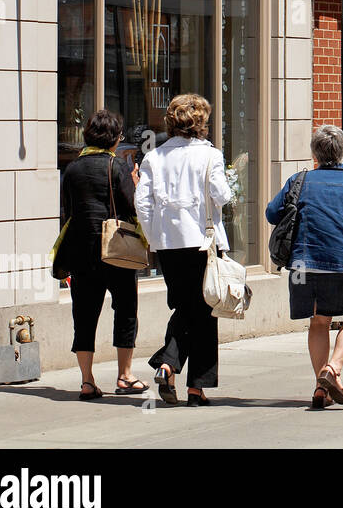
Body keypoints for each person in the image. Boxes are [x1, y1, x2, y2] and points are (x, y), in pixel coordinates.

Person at [265, 125, 343, 409]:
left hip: (305, 265)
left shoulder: (299, 181)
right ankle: (333, 369)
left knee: (319, 321)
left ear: (315, 154)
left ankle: (320, 389)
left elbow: (271, 213)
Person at [135, 94, 233, 406]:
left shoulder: (155, 157)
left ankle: (169, 367)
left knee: (184, 307)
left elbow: (142, 203)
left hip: (168, 245)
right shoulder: (210, 155)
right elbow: (222, 195)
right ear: (201, 122)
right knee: (204, 311)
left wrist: (154, 237)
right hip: (203, 243)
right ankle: (193, 385)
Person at [55, 110, 146, 400]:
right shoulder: (118, 167)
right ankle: (125, 376)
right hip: (115, 250)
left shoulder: (72, 169)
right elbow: (131, 206)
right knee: (126, 310)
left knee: (83, 315)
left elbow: (68, 211)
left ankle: (87, 380)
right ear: (116, 139)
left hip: (82, 251)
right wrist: (136, 182)